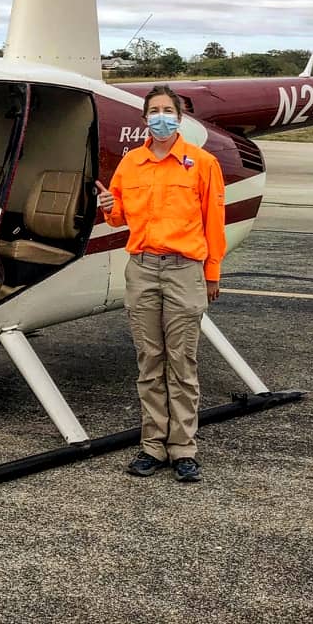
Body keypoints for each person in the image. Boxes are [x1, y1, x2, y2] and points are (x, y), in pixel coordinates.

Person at [95, 85, 225, 483]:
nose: (162, 116)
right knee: (149, 360)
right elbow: (119, 218)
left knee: (181, 361)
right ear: (145, 118)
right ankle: (153, 444)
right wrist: (108, 208)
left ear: (180, 118)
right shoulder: (131, 164)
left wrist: (212, 273)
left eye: (169, 110)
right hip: (143, 268)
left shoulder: (202, 163)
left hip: (185, 268)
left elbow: (214, 223)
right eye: (155, 110)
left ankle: (183, 447)